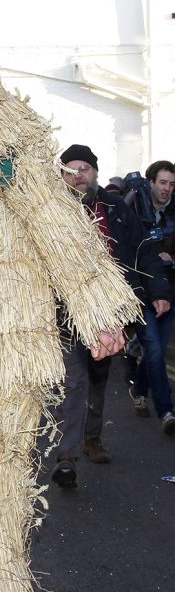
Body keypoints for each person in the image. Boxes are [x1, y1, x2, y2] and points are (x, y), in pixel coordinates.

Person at [50, 145, 172, 488]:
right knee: (74, 382)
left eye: (85, 168)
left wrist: (159, 291)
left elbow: (143, 249)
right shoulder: (51, 214)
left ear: (96, 173)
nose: (78, 175)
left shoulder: (116, 208)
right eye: (71, 168)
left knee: (99, 379)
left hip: (110, 313)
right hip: (66, 313)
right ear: (60, 174)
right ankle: (67, 457)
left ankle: (91, 438)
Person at [124, 160, 175, 431]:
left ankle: (139, 389)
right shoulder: (134, 207)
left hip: (170, 290)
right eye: (163, 182)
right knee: (154, 349)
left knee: (155, 351)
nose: (167, 189)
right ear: (152, 182)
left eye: (172, 184)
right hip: (143, 292)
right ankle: (167, 412)